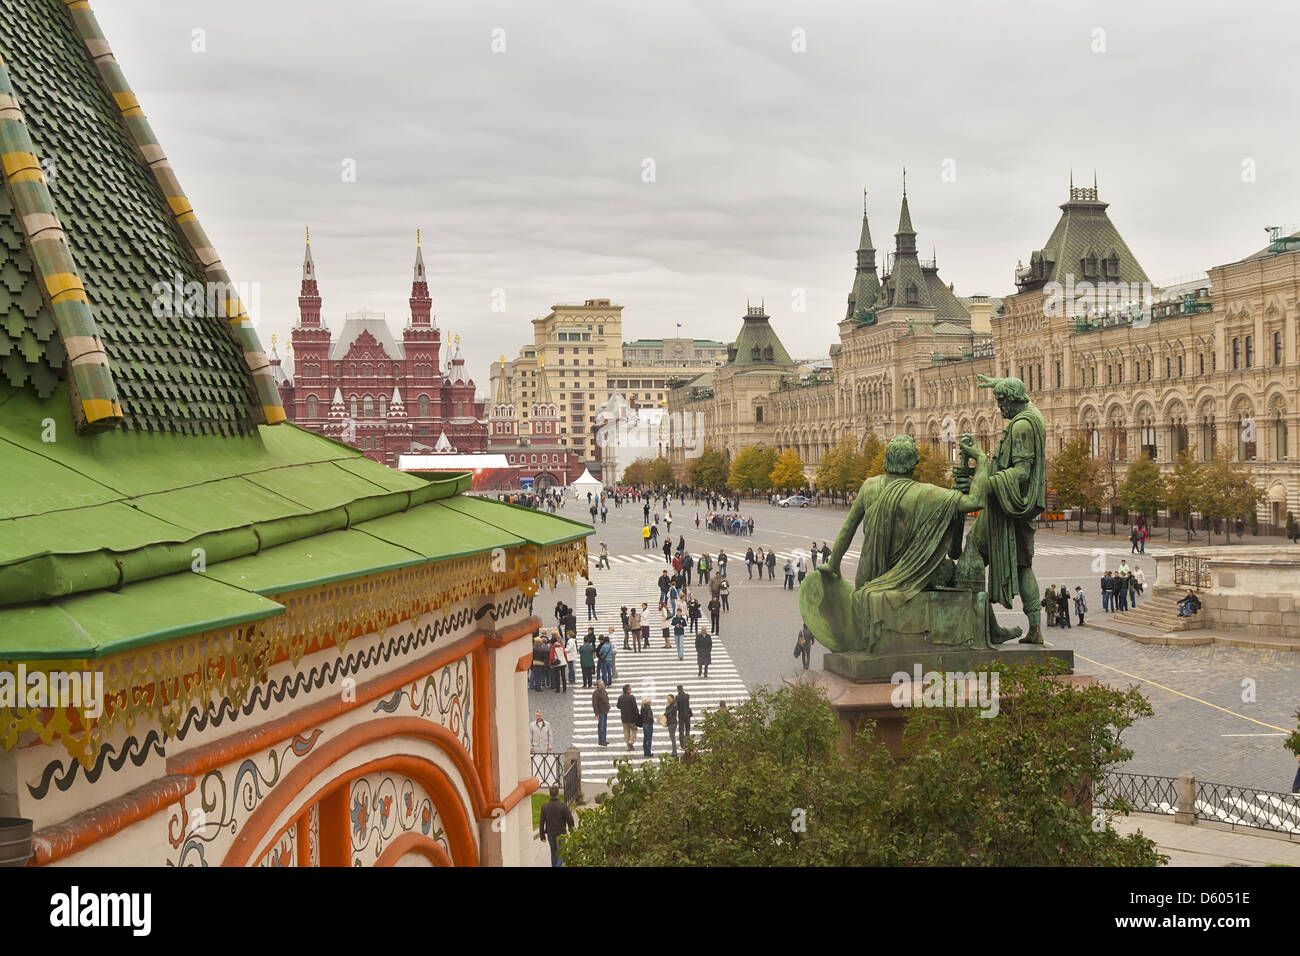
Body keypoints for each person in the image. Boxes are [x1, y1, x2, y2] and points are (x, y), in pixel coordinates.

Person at [965, 375, 1048, 644]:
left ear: (1014, 400)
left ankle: (984, 629)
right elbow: (1026, 394)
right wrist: (998, 382)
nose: (1000, 407)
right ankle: (1034, 629)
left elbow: (1022, 471)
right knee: (1024, 565)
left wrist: (987, 484)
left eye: (1002, 401)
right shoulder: (1033, 412)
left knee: (972, 552)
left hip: (1008, 505)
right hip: (1018, 507)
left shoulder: (1022, 425)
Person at [537, 784, 575, 868]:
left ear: (550, 794)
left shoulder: (544, 807)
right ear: (558, 793)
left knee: (553, 853)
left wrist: (542, 835)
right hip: (561, 834)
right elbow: (570, 819)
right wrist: (571, 829)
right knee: (561, 854)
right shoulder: (563, 806)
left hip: (551, 834)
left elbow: (541, 822)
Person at [617, 683, 639, 752]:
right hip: (631, 718)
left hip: (624, 718)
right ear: (628, 690)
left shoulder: (620, 697)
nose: (631, 690)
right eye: (630, 689)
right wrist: (638, 716)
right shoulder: (632, 697)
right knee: (634, 730)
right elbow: (635, 708)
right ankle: (631, 741)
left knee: (626, 733)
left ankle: (628, 747)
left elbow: (618, 706)